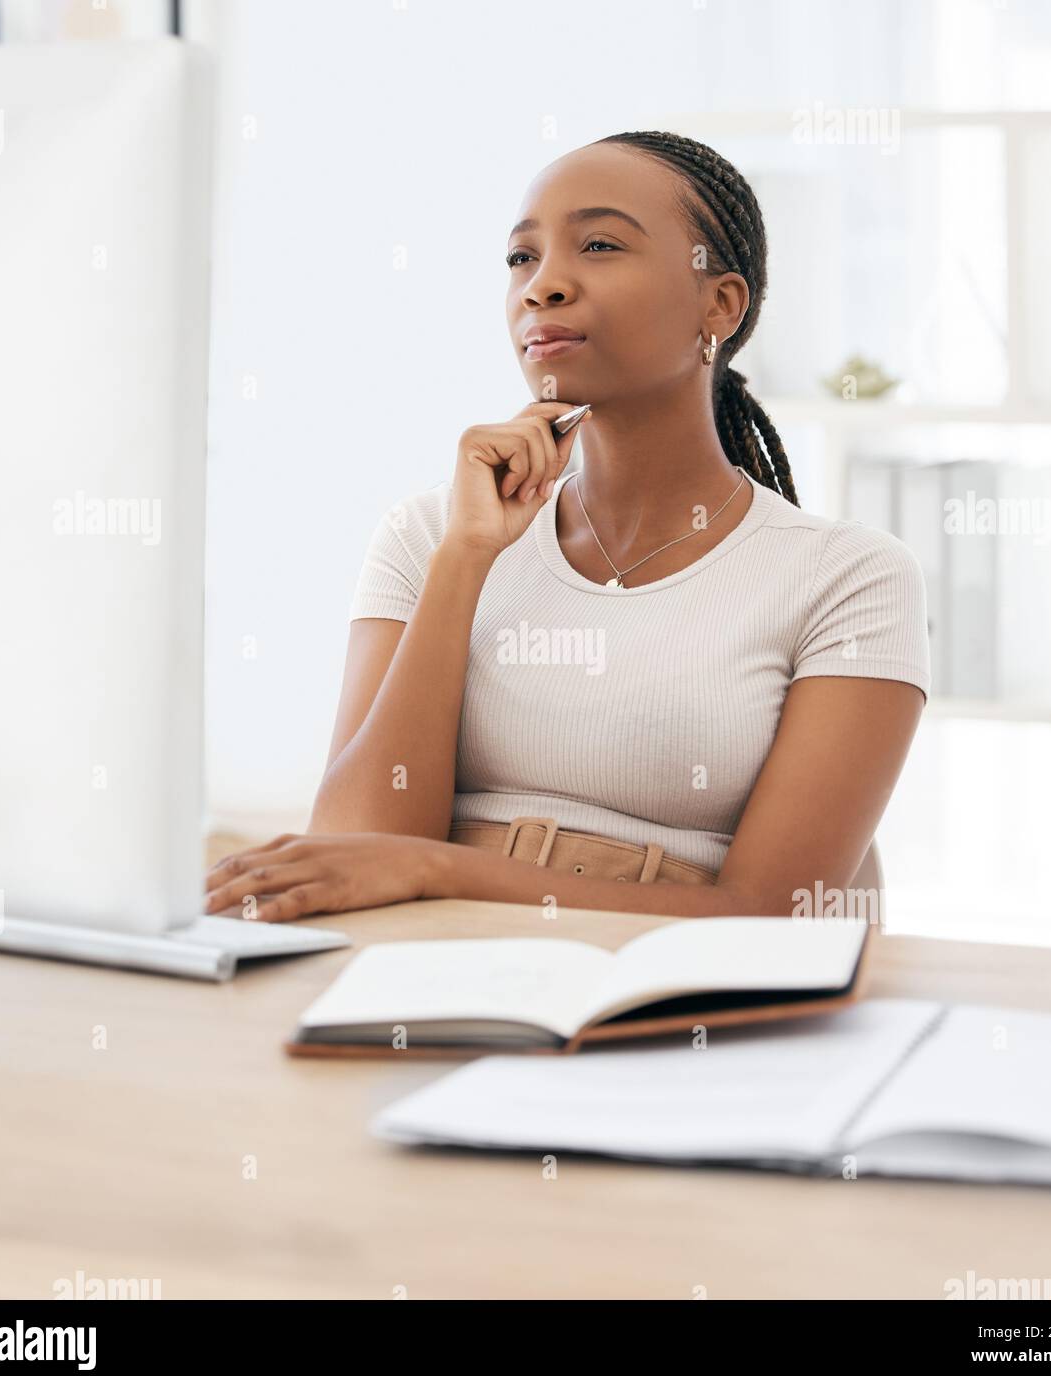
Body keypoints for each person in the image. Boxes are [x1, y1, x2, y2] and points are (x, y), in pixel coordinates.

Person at [205, 131, 929, 923]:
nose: (542, 285)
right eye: (521, 258)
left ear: (718, 303)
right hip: (417, 965)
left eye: (599, 244)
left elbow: (770, 914)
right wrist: (467, 558)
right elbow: (354, 847)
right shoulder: (430, 535)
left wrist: (431, 869)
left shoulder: (846, 576)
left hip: (670, 1004)